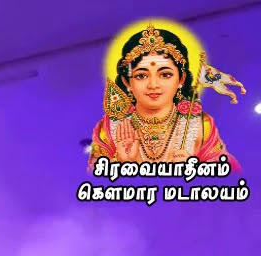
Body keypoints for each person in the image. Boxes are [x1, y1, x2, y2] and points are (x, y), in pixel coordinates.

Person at [89, 23, 239, 170]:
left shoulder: (200, 124)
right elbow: (88, 182)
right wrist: (121, 162)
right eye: (141, 76)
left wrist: (196, 170)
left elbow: (229, 174)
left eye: (165, 74)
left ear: (181, 78)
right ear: (126, 81)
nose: (153, 85)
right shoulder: (111, 126)